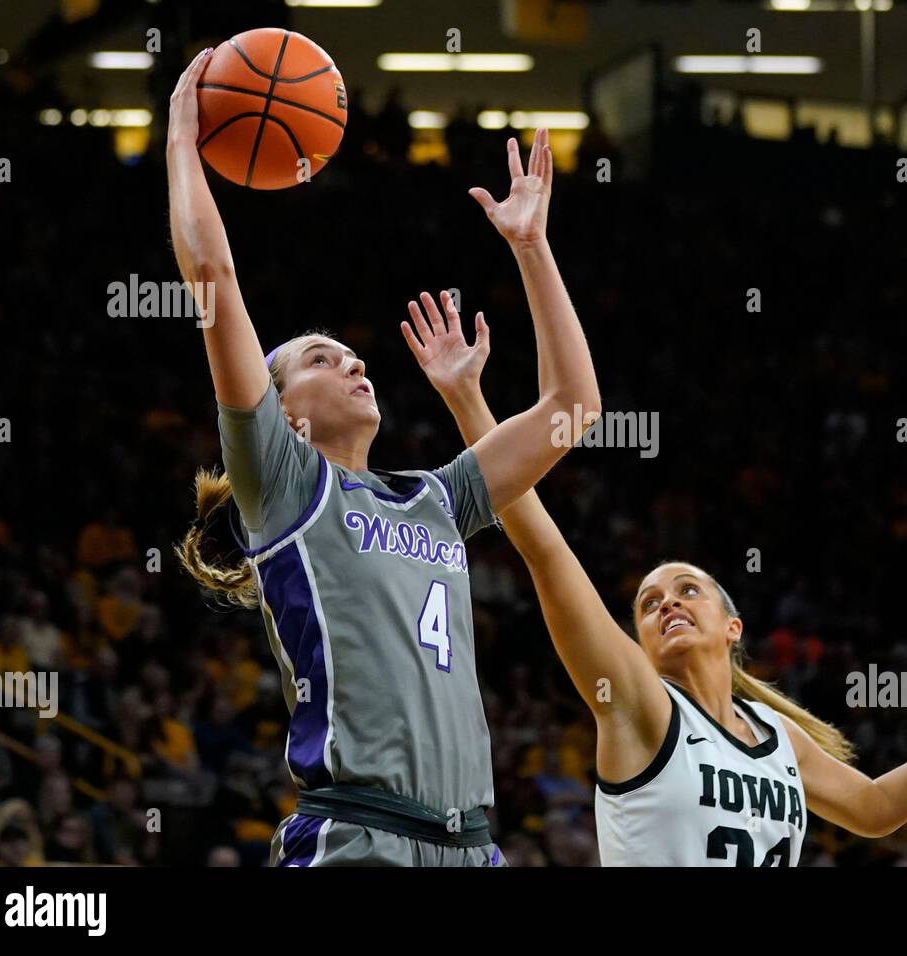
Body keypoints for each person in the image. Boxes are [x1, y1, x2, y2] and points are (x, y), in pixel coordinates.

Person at [166, 48, 601, 866]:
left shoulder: (436, 498)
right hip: (358, 838)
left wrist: (532, 247)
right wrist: (183, 147)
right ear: (283, 417)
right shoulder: (288, 488)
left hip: (472, 845)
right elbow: (213, 275)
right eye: (322, 360)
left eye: (352, 354)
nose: (355, 363)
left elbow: (574, 408)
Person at [405, 300, 907, 865]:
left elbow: (877, 811)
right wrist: (467, 401)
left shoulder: (780, 739)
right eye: (649, 603)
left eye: (688, 590)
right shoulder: (642, 708)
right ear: (637, 642)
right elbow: (546, 549)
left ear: (732, 626)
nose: (668, 602)